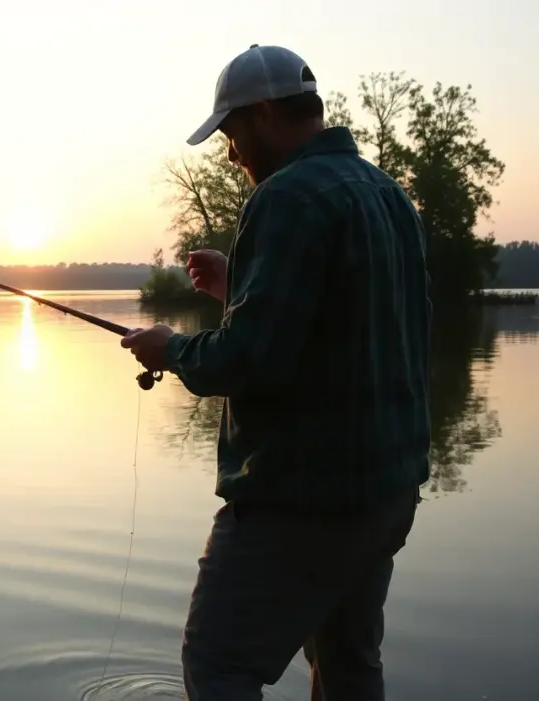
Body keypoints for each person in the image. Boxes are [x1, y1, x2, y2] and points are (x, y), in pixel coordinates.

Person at [120, 44, 432, 701]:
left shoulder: (285, 197)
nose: (231, 153)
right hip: (386, 490)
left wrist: (171, 348)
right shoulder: (386, 195)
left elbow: (249, 361)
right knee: (348, 665)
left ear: (263, 114)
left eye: (231, 133)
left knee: (218, 661)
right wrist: (239, 289)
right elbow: (350, 325)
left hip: (303, 497)